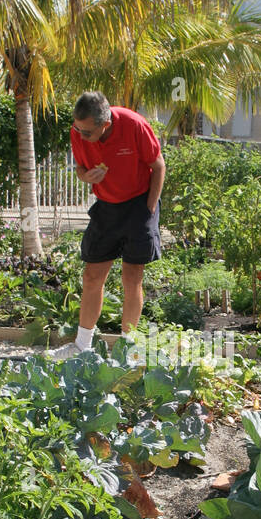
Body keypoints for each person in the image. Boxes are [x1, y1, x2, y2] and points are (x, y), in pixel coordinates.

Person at [48, 91, 166, 360]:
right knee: (92, 276)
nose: (80, 135)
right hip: (106, 207)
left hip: (139, 203)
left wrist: (148, 209)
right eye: (77, 129)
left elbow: (158, 165)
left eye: (87, 132)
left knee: (132, 277)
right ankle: (81, 345)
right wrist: (85, 176)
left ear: (106, 125)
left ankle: (127, 349)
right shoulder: (79, 132)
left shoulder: (134, 125)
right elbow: (79, 167)